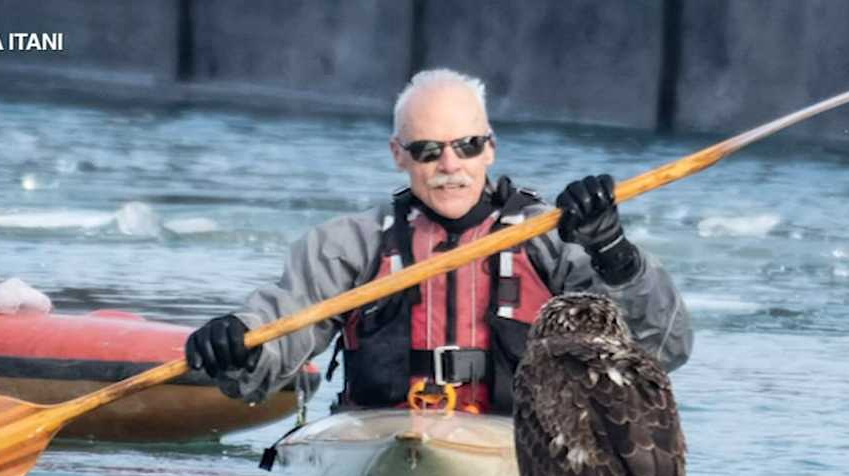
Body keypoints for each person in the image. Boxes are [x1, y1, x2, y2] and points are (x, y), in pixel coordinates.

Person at [185, 68, 692, 415]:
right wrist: (238, 344)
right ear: (397, 155)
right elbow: (278, 333)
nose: (450, 166)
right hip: (381, 434)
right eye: (427, 151)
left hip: (516, 442)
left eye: (466, 146)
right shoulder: (349, 245)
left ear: (489, 148)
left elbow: (664, 348)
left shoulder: (557, 243)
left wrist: (614, 253)